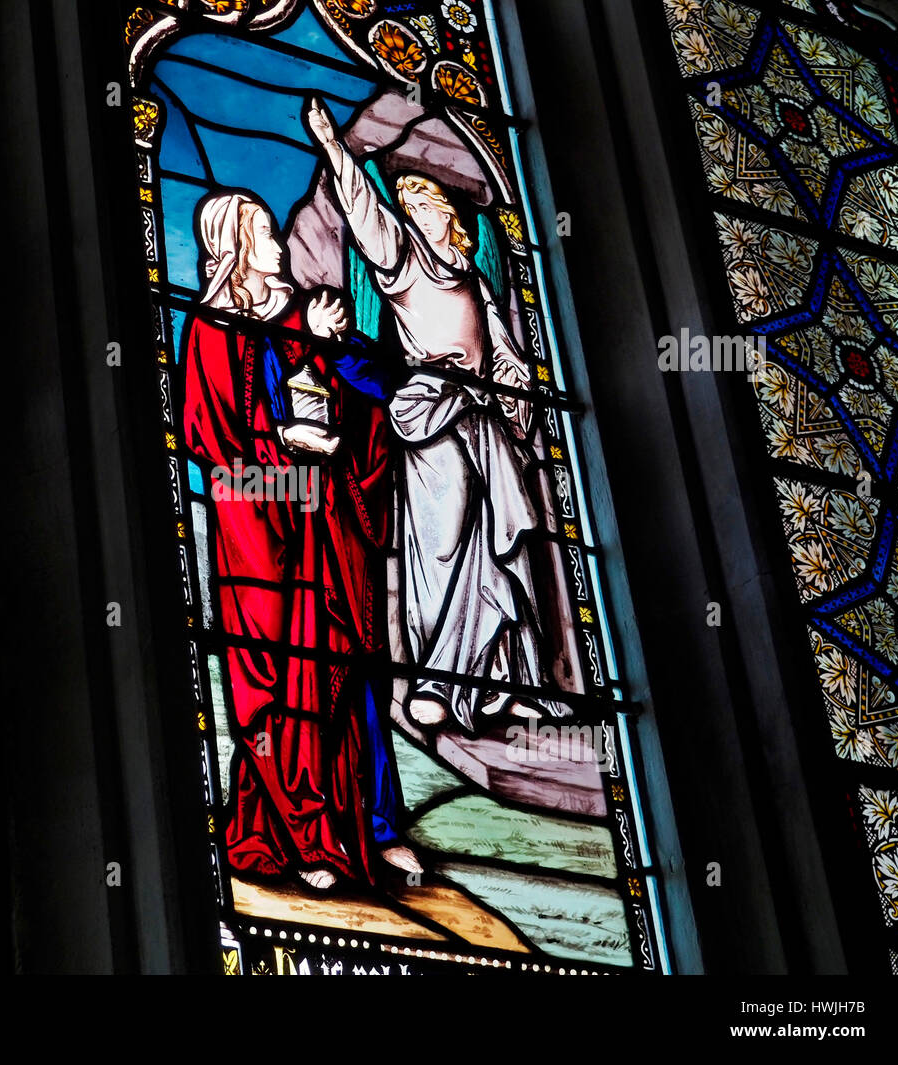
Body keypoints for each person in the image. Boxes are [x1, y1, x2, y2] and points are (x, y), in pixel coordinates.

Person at [182, 191, 420, 890]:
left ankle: (372, 829)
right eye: (259, 228)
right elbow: (213, 441)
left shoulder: (303, 314)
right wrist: (282, 448)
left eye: (270, 221)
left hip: (329, 525)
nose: (275, 236)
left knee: (353, 673)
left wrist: (328, 343)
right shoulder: (210, 329)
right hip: (262, 542)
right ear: (231, 243)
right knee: (280, 685)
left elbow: (370, 391)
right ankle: (301, 833)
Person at [307, 98, 566, 732]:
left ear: (450, 221)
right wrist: (336, 151)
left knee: (503, 548)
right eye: (410, 211)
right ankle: (439, 681)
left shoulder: (475, 286)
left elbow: (505, 357)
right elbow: (367, 219)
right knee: (444, 549)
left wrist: (513, 396)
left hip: (483, 423)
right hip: (430, 420)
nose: (415, 217)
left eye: (426, 208)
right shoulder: (403, 268)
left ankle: (507, 679)